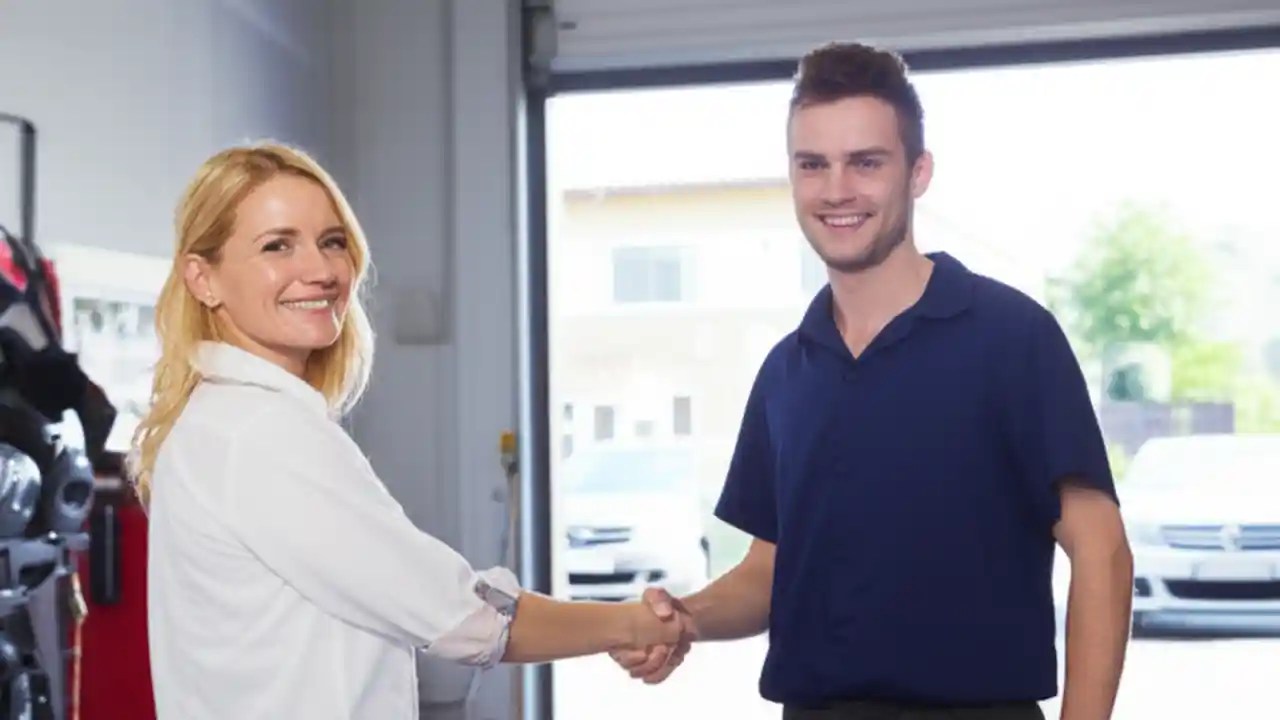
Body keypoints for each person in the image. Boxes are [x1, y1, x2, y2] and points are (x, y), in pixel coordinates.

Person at [613, 41, 1134, 720]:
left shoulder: (1012, 337)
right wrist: (684, 619)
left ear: (918, 173)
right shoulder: (786, 372)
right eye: (813, 165)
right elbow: (770, 575)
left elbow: (1103, 552)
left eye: (866, 162)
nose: (836, 190)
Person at [130, 142, 678, 719]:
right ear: (203, 279)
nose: (320, 271)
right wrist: (629, 622)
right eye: (277, 246)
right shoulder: (260, 434)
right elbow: (463, 619)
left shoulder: (219, 420)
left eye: (332, 241)